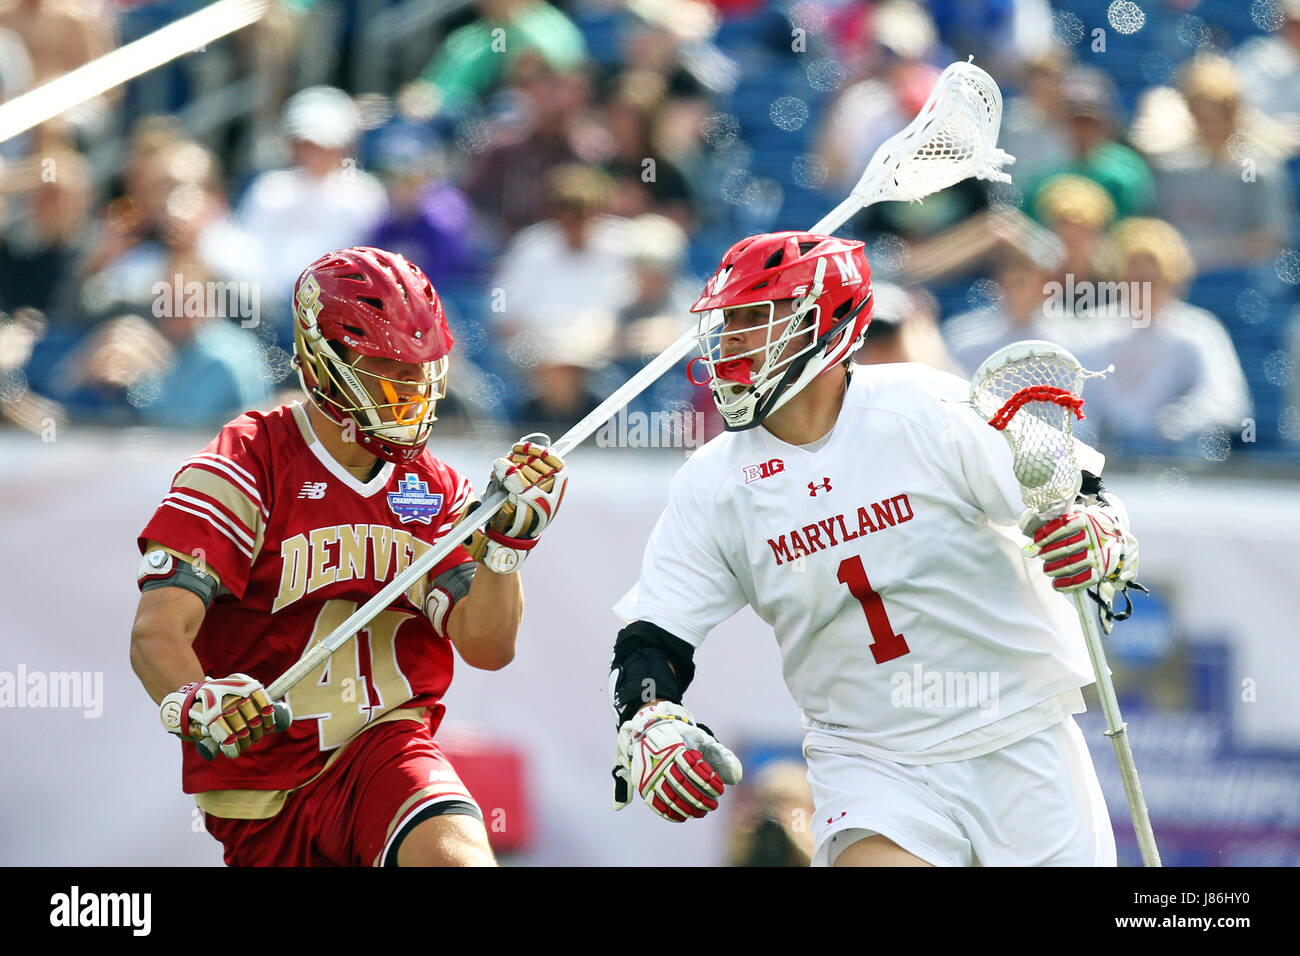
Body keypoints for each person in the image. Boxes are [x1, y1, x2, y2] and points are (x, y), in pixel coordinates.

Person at [608, 232, 1141, 866]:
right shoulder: (714, 480)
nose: (733, 339)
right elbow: (654, 637)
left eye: (756, 316)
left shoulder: (927, 406)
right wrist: (651, 720)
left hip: (1015, 732)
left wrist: (1099, 539)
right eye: (729, 320)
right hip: (870, 758)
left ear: (825, 319)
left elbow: (1081, 493)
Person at [128, 246, 569, 867]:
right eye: (387, 366)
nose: (412, 389)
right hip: (261, 791)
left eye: (421, 368)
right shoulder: (246, 464)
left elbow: (488, 648)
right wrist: (196, 698)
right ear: (320, 362)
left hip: (384, 751)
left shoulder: (435, 487)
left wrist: (505, 549)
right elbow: (156, 632)